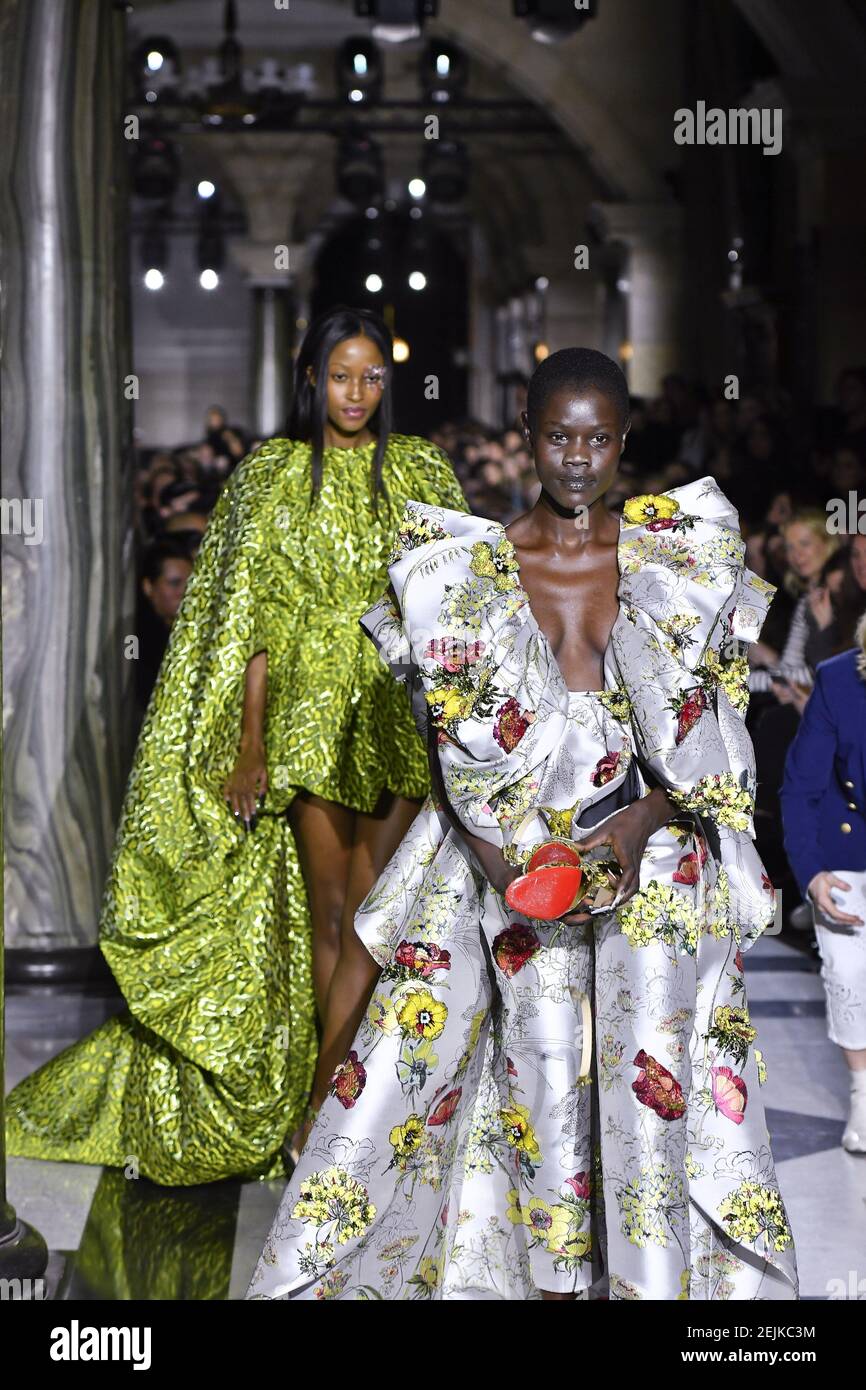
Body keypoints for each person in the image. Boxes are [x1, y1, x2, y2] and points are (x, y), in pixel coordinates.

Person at [247, 348, 797, 1301]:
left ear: (624, 441)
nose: (577, 458)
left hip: (647, 853)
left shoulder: (680, 558)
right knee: (521, 1076)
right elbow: (443, 746)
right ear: (528, 435)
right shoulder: (464, 572)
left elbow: (710, 735)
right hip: (504, 852)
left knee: (649, 1075)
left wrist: (636, 826)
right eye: (558, 436)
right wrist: (498, 861)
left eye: (597, 438)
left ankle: (653, 1289)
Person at [5, 304, 466, 1185]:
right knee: (333, 920)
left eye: (372, 376)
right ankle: (324, 1114)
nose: (357, 392)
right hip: (302, 721)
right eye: (340, 376)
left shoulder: (420, 470)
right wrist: (249, 745)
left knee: (383, 922)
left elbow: (455, 602)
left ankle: (339, 1107)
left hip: (390, 714)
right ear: (310, 379)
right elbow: (244, 623)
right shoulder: (269, 475)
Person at [780, 616, 866, 1153]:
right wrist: (810, 873)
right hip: (849, 850)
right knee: (849, 973)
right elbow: (801, 785)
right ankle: (863, 1092)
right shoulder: (838, 679)